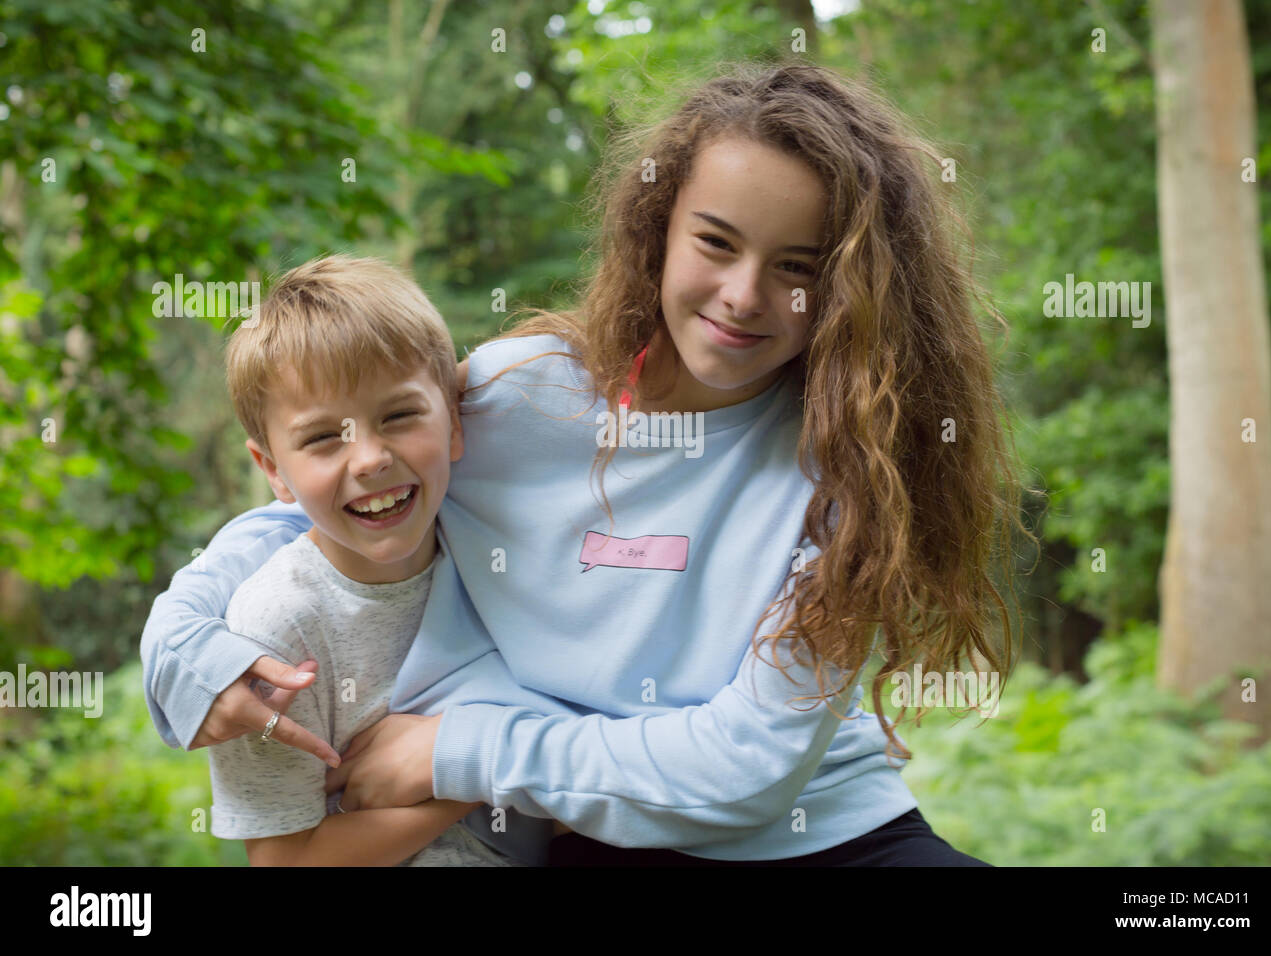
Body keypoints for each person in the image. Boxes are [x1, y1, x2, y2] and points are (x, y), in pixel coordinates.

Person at [141, 61, 1029, 866]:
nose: (744, 294)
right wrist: (181, 651)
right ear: (658, 230)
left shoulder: (852, 461)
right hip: (597, 834)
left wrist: (455, 752)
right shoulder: (517, 399)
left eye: (796, 266)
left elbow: (749, 772)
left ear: (848, 283)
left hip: (832, 832)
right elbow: (320, 504)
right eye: (715, 242)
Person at [198, 254, 527, 866]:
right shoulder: (275, 628)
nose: (370, 458)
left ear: (454, 421)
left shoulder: (501, 553)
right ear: (273, 469)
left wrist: (474, 756)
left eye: (399, 416)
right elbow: (284, 859)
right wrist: (461, 780)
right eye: (324, 438)